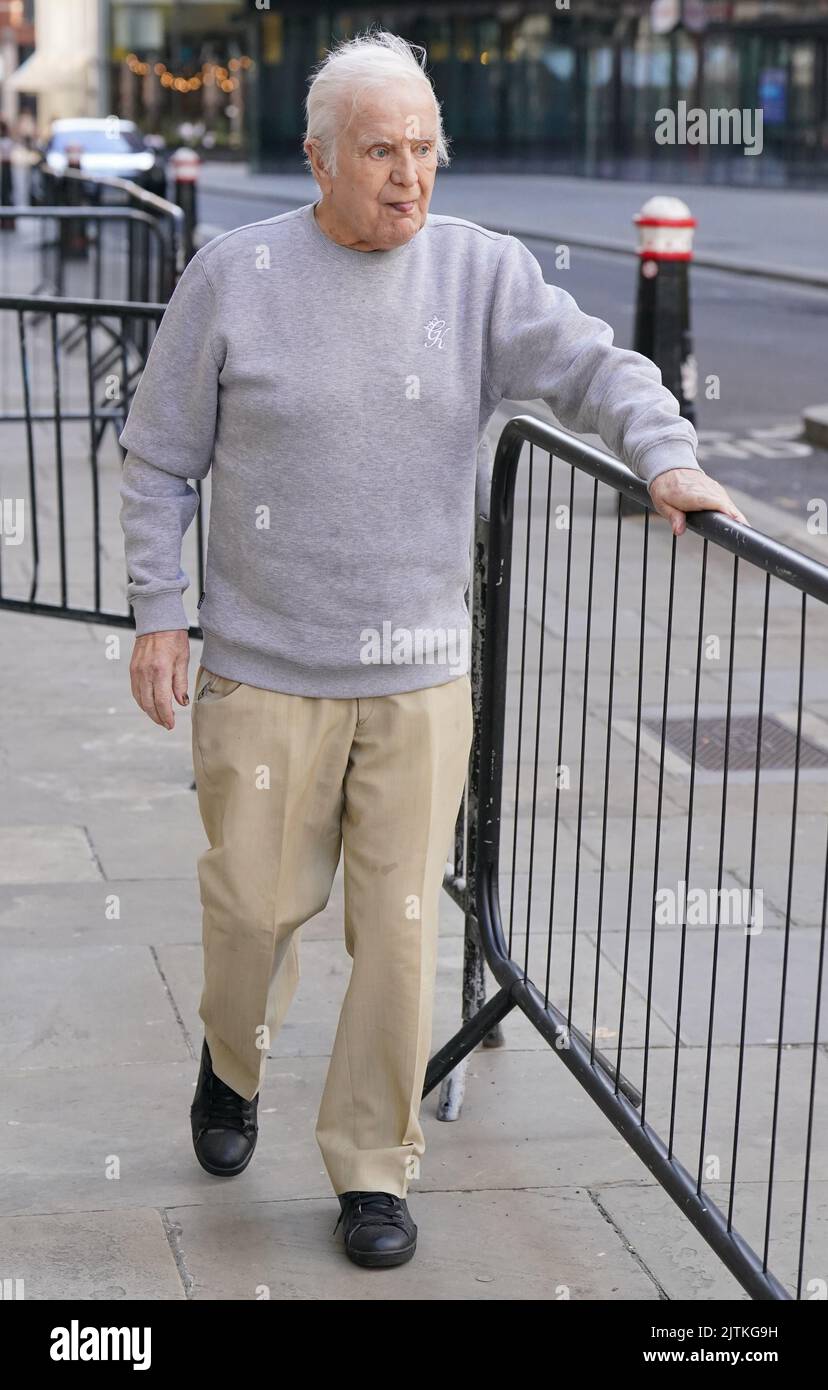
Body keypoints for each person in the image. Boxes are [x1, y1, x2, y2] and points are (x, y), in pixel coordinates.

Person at [118, 28, 747, 1271]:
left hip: (417, 674)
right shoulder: (235, 277)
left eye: (425, 150)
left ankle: (371, 1165)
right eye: (381, 152)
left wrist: (665, 454)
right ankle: (230, 1062)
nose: (410, 176)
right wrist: (158, 608)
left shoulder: (480, 274)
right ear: (316, 160)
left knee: (399, 931)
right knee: (251, 911)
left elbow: (591, 364)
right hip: (261, 670)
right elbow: (158, 453)